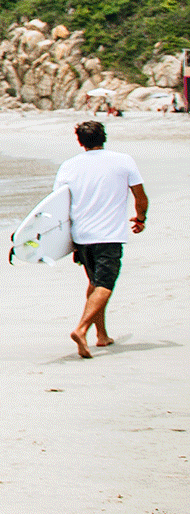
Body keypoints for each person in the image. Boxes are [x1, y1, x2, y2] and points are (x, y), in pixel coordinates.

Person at [56, 119, 149, 359]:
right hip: (108, 236)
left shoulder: (69, 166)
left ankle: (102, 335)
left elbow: (58, 204)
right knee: (105, 285)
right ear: (104, 137)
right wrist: (140, 218)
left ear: (80, 142)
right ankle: (81, 329)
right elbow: (140, 196)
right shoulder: (123, 160)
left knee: (95, 283)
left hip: (82, 237)